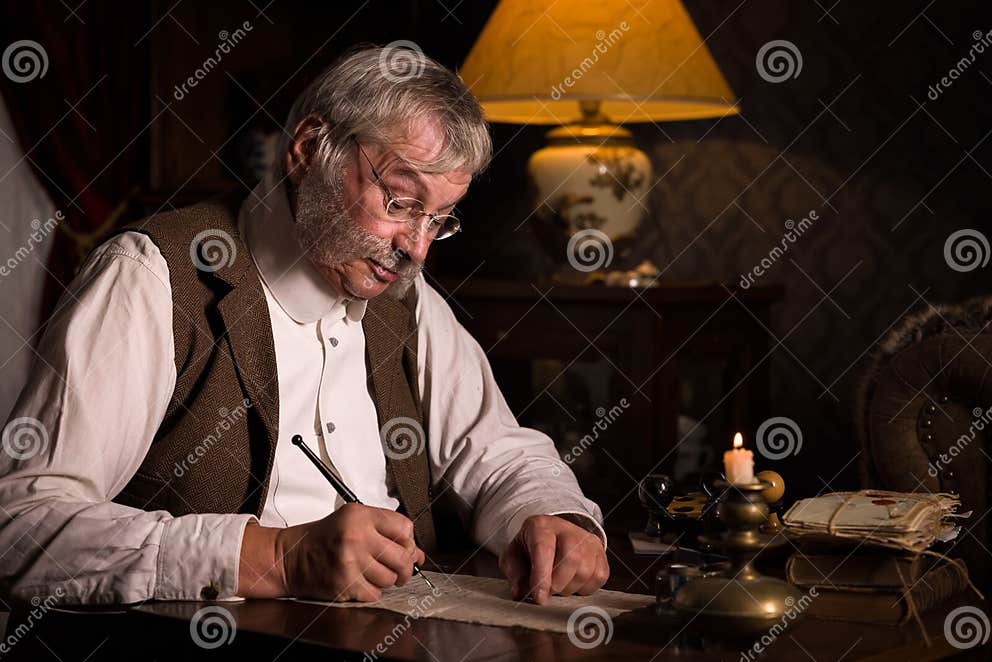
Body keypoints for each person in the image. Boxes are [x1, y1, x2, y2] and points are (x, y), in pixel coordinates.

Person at [0, 45, 609, 607]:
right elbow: (20, 527)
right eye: (400, 202)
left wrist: (553, 516)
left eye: (439, 219)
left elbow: (500, 455)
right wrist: (275, 559)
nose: (418, 250)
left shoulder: (407, 296)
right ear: (309, 148)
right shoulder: (149, 276)